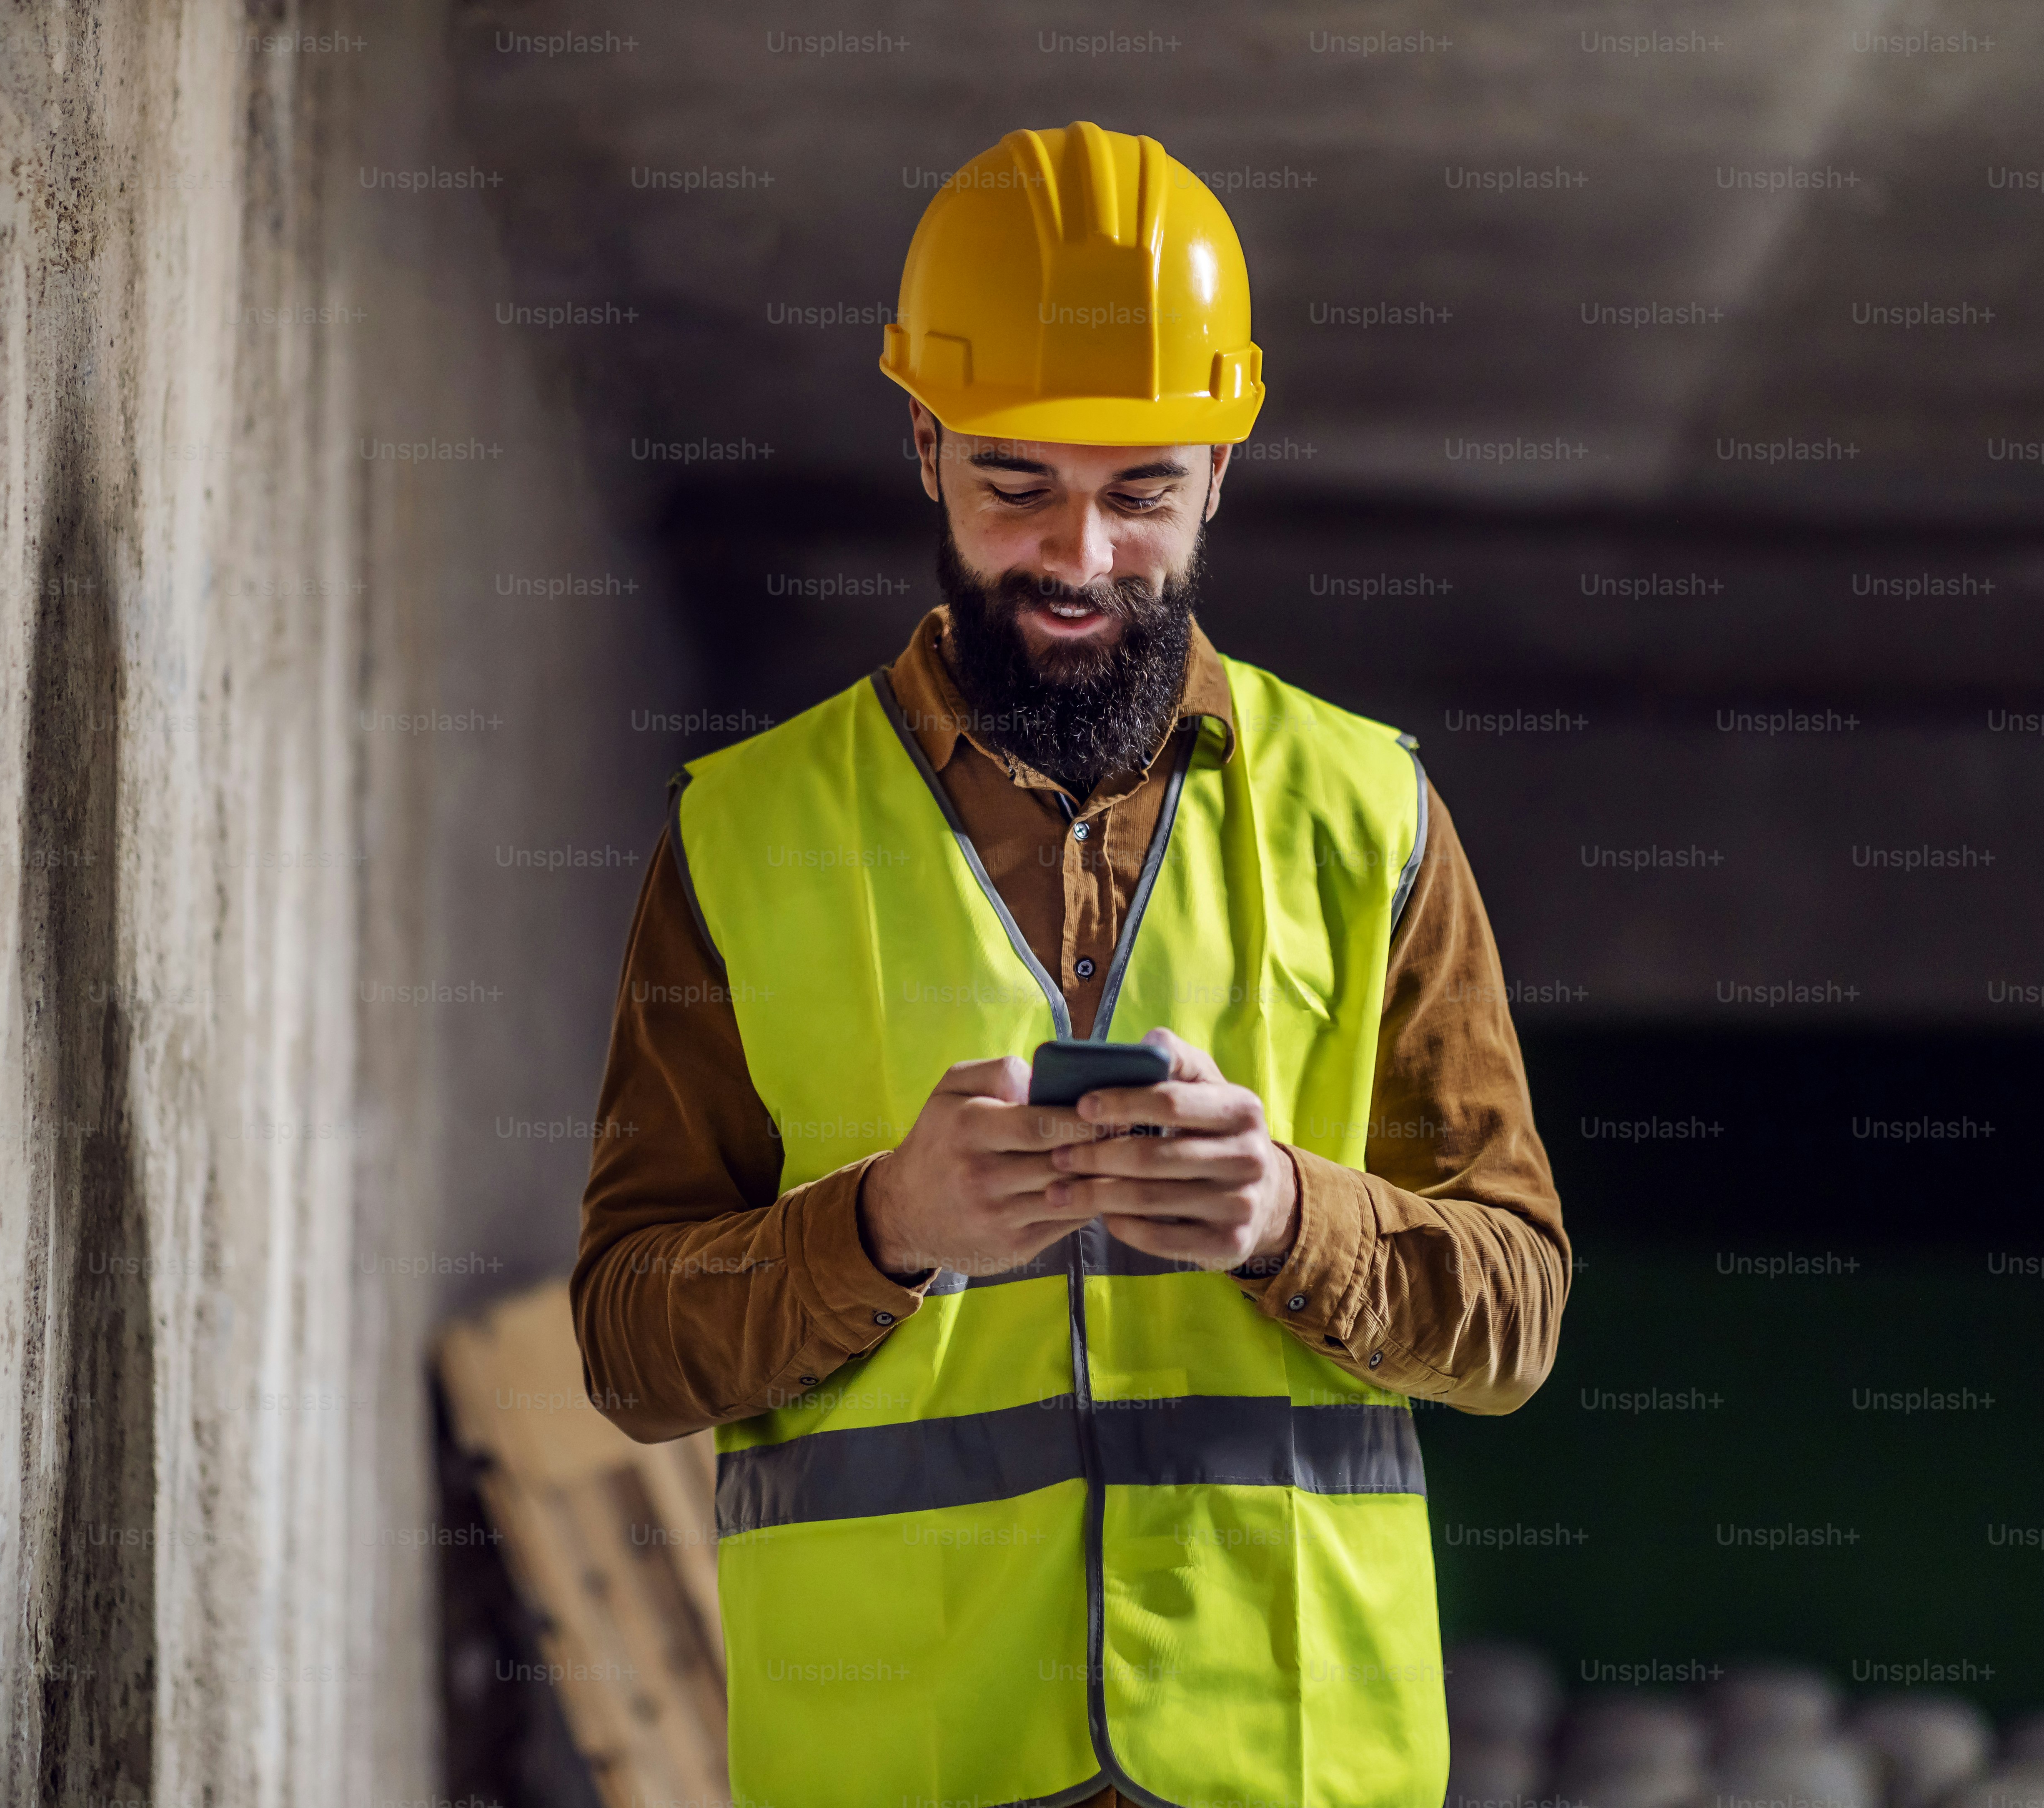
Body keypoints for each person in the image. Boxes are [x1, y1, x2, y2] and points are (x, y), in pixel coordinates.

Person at [573, 120, 1569, 1808]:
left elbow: (1515, 1313)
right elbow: (627, 1344)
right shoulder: (742, 838)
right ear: (924, 442)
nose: (1080, 561)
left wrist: (1289, 1218)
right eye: (1015, 485)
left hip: (1284, 1766)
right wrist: (883, 1227)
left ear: (1220, 472)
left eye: (1141, 495)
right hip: (902, 1764)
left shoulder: (1370, 817)